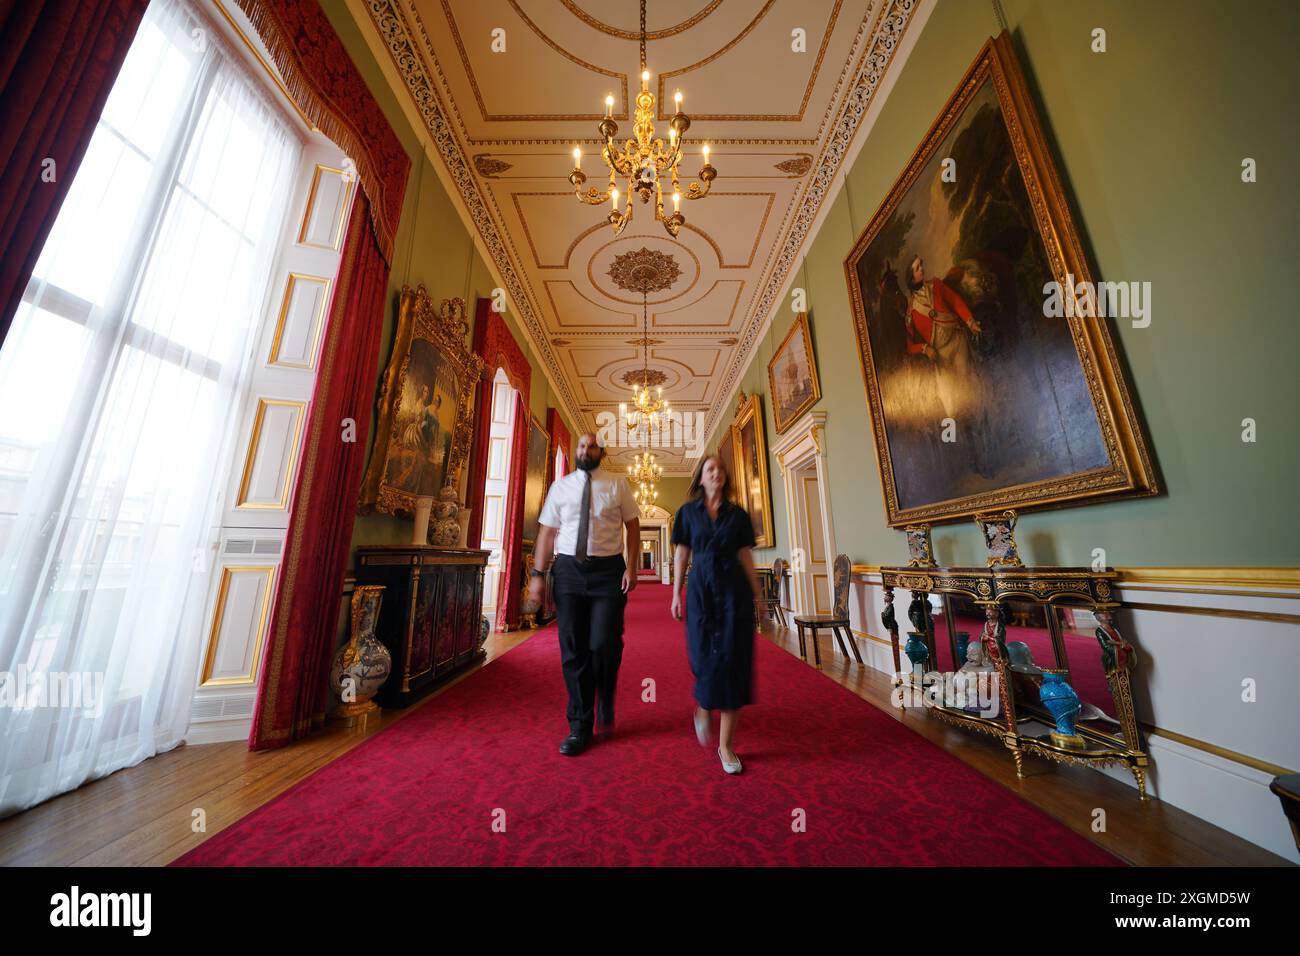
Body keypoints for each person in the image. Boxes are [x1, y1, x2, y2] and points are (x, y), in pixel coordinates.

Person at [530, 433, 640, 756]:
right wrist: (538, 574)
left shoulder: (618, 484)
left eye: (590, 446)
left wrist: (631, 567)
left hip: (608, 572)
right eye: (580, 445)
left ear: (601, 452)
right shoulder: (560, 487)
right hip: (568, 571)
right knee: (573, 647)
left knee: (603, 643)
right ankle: (580, 725)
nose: (584, 450)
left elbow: (633, 526)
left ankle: (605, 691)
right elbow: (548, 532)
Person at [670, 453, 763, 774]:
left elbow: (745, 556)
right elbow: (682, 554)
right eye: (710, 469)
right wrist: (675, 594)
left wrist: (758, 595)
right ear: (700, 477)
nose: (716, 474)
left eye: (720, 469)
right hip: (699, 591)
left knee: (734, 659)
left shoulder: (738, 516)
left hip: (733, 591)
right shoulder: (687, 514)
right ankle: (704, 706)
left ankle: (726, 746)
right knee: (701, 658)